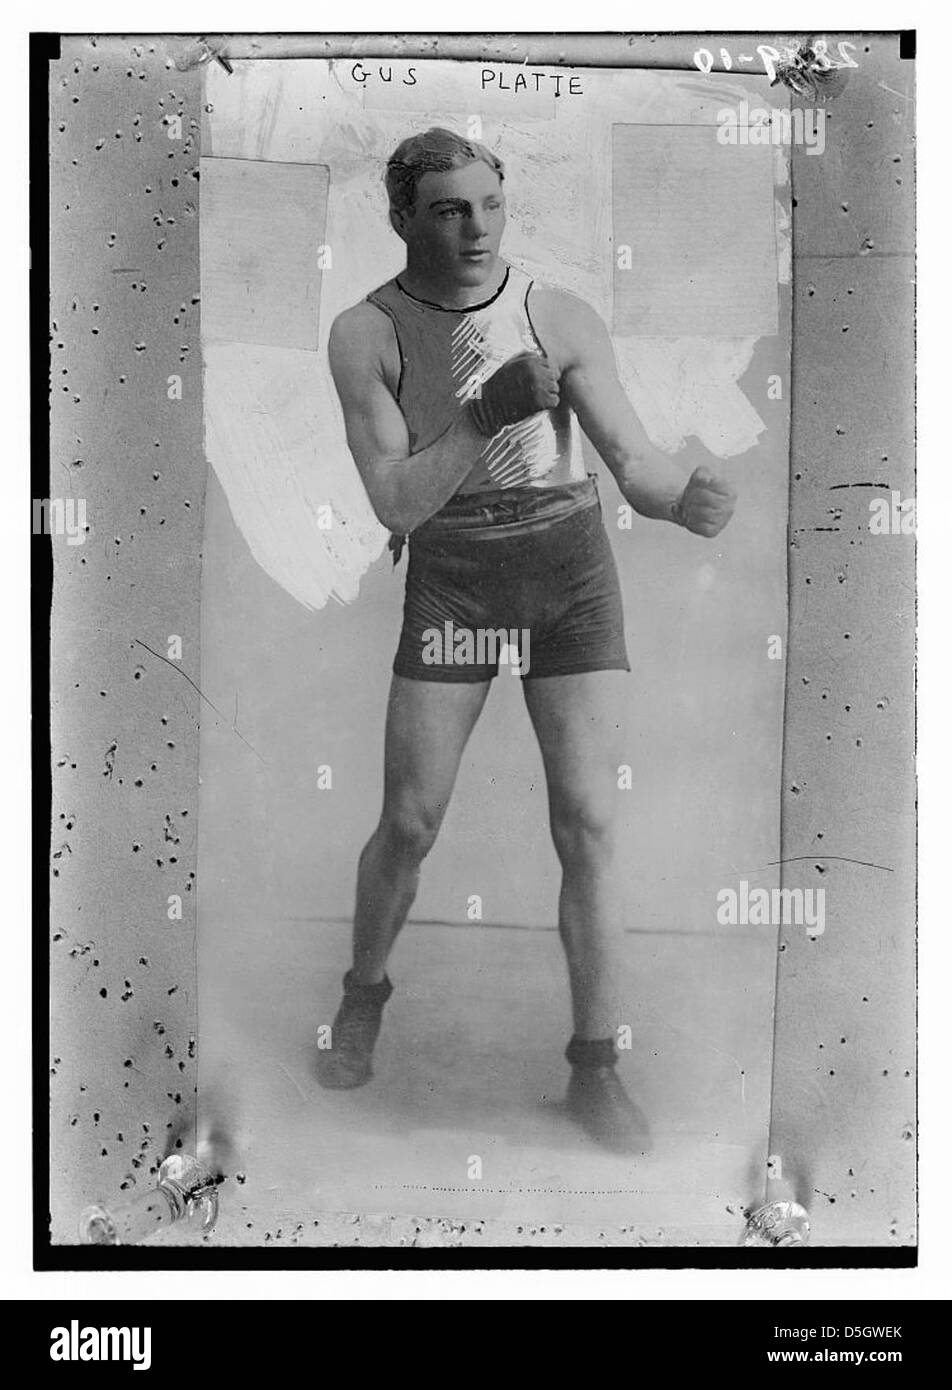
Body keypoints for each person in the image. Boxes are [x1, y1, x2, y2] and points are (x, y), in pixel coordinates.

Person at [320, 127, 736, 1153]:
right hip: (456, 578)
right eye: (448, 210)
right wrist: (477, 413)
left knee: (590, 822)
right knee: (411, 823)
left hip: (567, 574)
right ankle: (364, 992)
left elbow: (631, 460)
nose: (474, 229)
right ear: (403, 217)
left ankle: (596, 1067)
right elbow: (397, 503)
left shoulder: (556, 314)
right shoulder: (365, 332)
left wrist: (683, 498)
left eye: (489, 207)